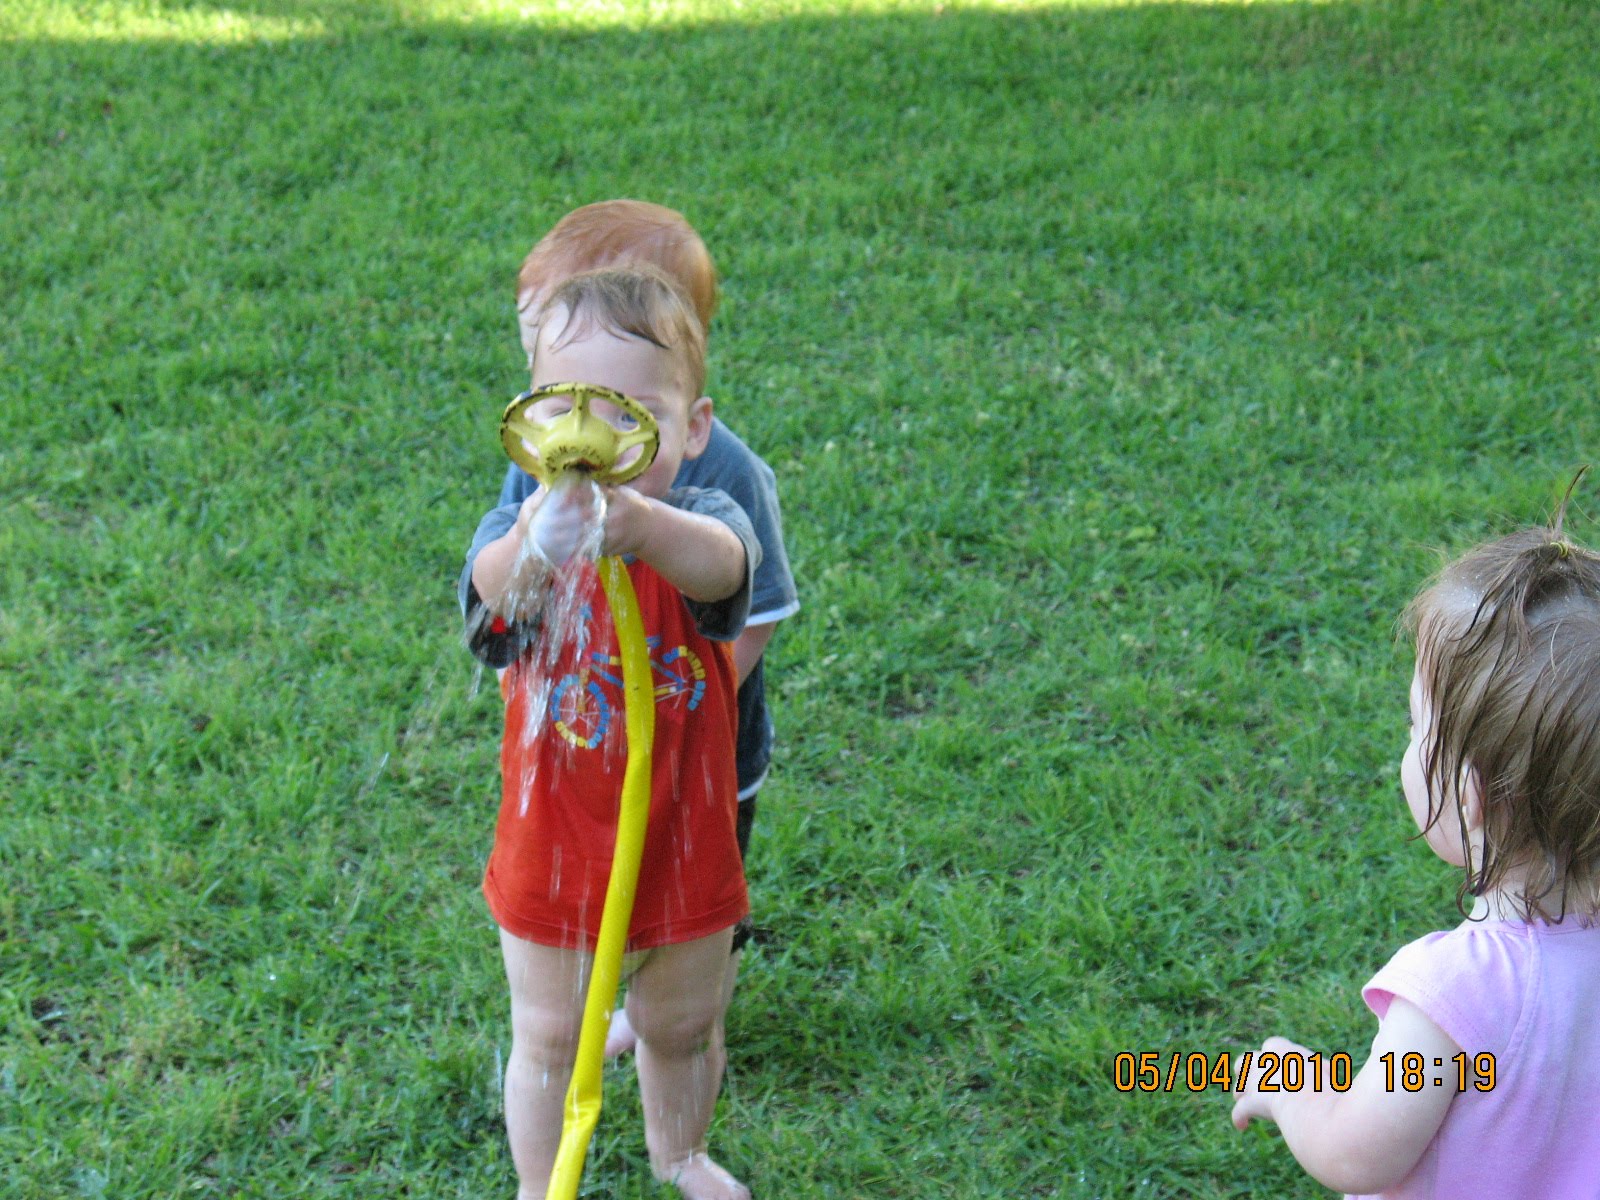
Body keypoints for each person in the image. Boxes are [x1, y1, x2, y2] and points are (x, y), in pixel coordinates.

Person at [460, 267, 758, 1200]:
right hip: (553, 836)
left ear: (694, 429)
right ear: (532, 424)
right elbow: (490, 605)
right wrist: (534, 550)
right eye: (569, 409)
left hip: (682, 831)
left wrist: (645, 528)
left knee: (682, 1024)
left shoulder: (699, 518)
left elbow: (725, 570)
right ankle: (536, 1185)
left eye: (638, 416)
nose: (597, 439)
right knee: (551, 1034)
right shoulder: (520, 522)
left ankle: (681, 1154)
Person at [1231, 492, 1600, 1197]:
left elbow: (1355, 1154)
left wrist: (1289, 1084)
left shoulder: (1457, 992)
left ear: (1470, 795)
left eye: (1413, 727)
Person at [502, 200, 798, 1056]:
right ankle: (603, 988)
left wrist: (687, 709)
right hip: (588, 733)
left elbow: (757, 608)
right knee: (601, 870)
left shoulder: (725, 469)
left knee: (701, 884)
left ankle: (689, 1001)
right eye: (536, 335)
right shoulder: (546, 453)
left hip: (700, 740)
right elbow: (506, 582)